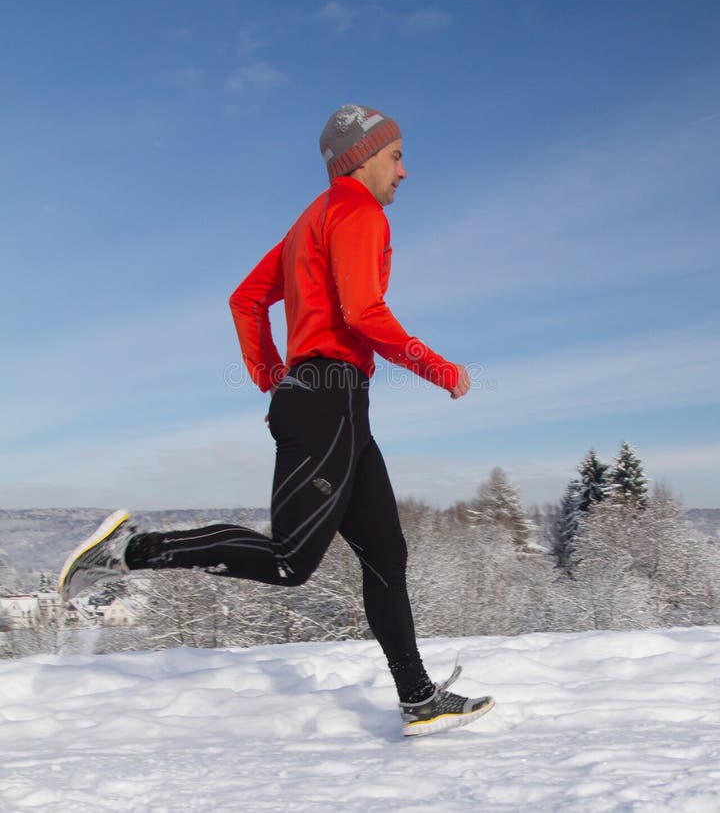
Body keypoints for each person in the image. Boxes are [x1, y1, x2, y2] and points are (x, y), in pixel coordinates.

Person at [58, 104, 494, 737]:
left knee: (386, 555)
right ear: (363, 157)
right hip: (330, 399)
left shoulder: (309, 222)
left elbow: (246, 300)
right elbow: (366, 312)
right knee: (292, 561)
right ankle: (126, 553)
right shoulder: (356, 211)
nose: (405, 171)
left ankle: (418, 696)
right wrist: (441, 369)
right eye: (396, 156)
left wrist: (274, 378)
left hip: (330, 401)